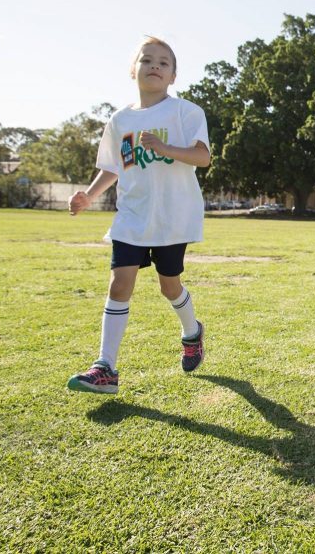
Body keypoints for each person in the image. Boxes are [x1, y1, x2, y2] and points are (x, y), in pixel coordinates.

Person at [66, 36, 211, 394]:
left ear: (174, 75)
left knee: (169, 285)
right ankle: (106, 368)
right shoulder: (121, 119)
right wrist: (89, 195)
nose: (155, 66)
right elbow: (114, 167)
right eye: (147, 60)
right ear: (134, 69)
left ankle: (192, 332)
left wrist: (164, 147)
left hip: (172, 218)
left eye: (164, 62)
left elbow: (202, 157)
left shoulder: (186, 112)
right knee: (120, 283)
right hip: (131, 216)